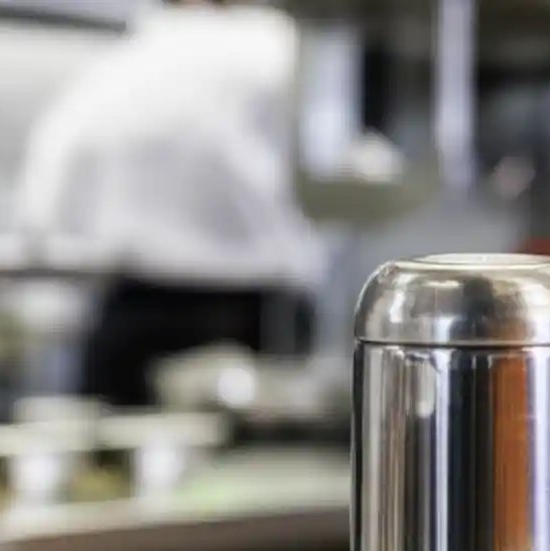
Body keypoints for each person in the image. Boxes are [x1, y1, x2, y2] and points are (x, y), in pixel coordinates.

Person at [17, 0, 327, 405]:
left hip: (132, 310)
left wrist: (45, 311)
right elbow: (332, 166)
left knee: (122, 456)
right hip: (253, 312)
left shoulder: (120, 64)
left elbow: (50, 185)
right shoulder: (274, 47)